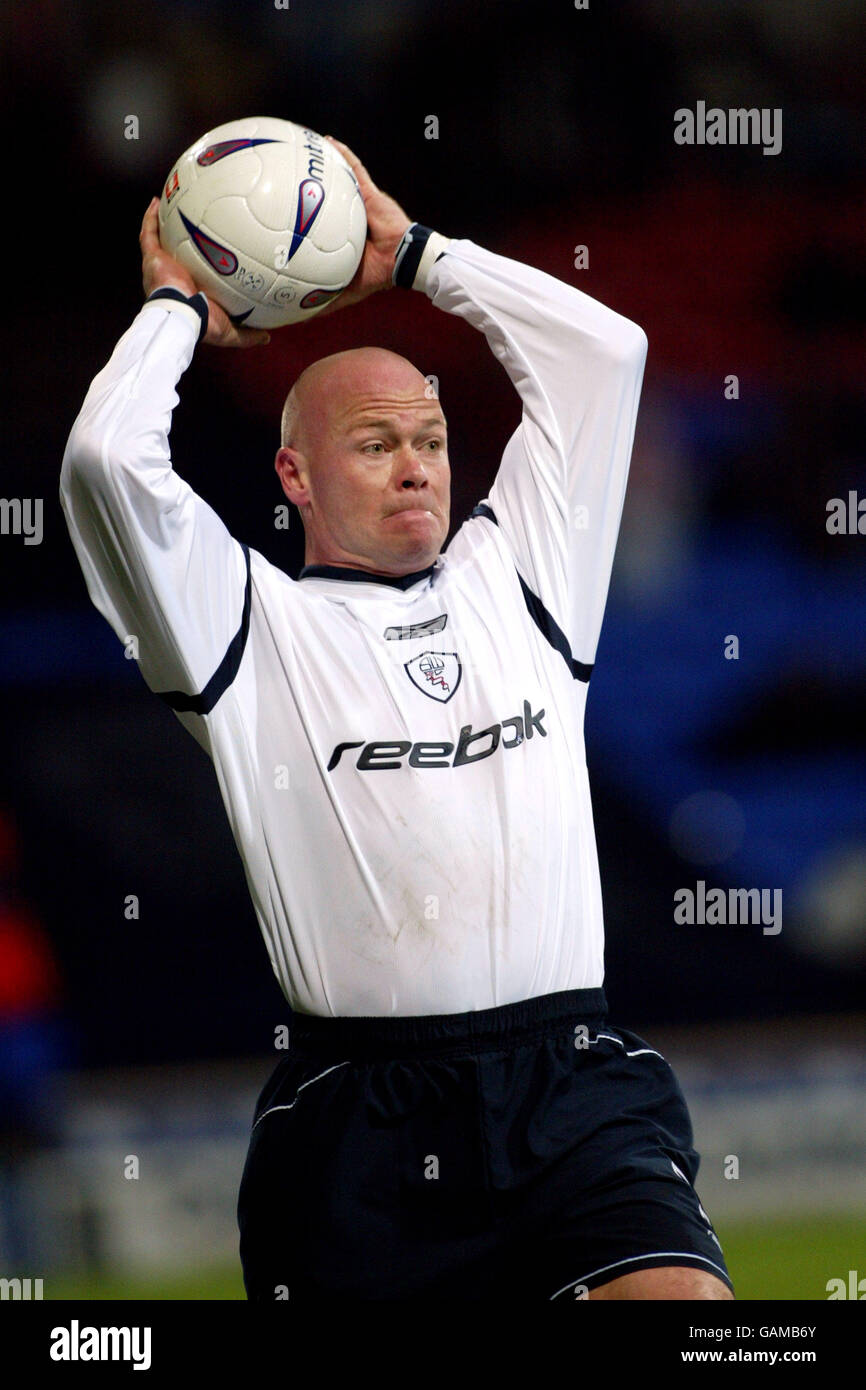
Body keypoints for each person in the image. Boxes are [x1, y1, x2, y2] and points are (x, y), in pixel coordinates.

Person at [60, 136, 734, 1302]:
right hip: (358, 1125)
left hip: (573, 1085)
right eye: (373, 445)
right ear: (296, 477)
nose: (416, 465)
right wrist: (175, 304)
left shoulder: (520, 580)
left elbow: (604, 352)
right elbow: (107, 460)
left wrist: (417, 254)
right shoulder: (243, 635)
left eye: (427, 439)